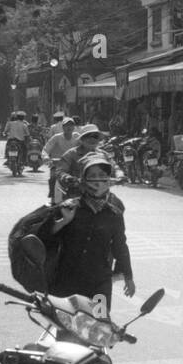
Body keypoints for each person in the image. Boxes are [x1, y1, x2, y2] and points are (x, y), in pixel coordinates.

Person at [39, 154, 135, 309]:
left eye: (102, 175)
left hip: (99, 283)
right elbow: (45, 236)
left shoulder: (114, 214)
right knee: (65, 326)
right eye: (92, 176)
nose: (98, 180)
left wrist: (128, 278)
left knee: (100, 325)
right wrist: (64, 221)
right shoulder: (69, 207)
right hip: (66, 280)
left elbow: (120, 247)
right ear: (83, 180)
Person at [57, 123, 106, 196]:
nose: (92, 139)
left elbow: (115, 167)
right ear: (82, 139)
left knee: (117, 206)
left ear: (99, 139)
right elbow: (60, 171)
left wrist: (120, 175)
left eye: (95, 136)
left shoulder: (104, 155)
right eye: (88, 136)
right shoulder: (71, 154)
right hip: (76, 193)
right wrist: (69, 178)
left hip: (102, 193)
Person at [44, 116, 77, 201]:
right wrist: (46, 158)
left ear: (74, 127)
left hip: (73, 165)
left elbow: (85, 146)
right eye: (66, 125)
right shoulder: (56, 137)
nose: (69, 127)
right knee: (53, 177)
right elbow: (46, 149)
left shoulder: (77, 137)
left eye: (71, 125)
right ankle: (53, 197)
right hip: (58, 164)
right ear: (63, 127)